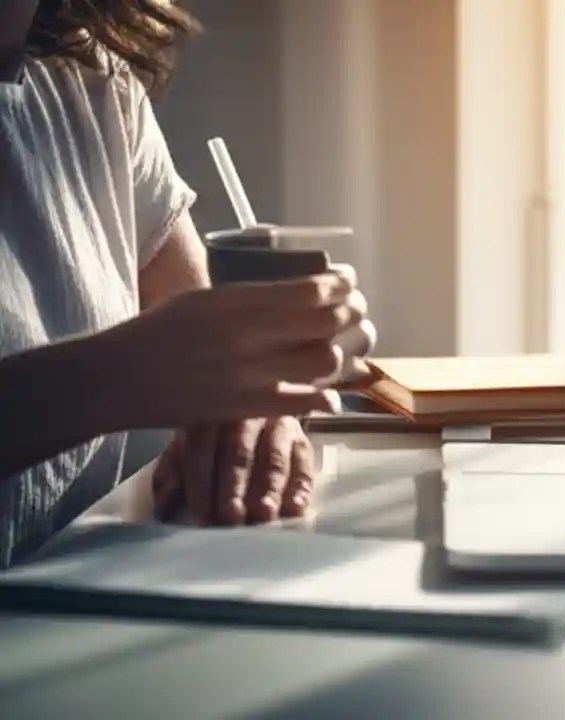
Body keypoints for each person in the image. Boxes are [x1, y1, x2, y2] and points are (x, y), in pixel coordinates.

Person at [0, 0, 375, 567]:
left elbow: (215, 355)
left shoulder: (92, 82)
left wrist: (254, 409)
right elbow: (178, 355)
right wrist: (119, 374)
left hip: (75, 592)